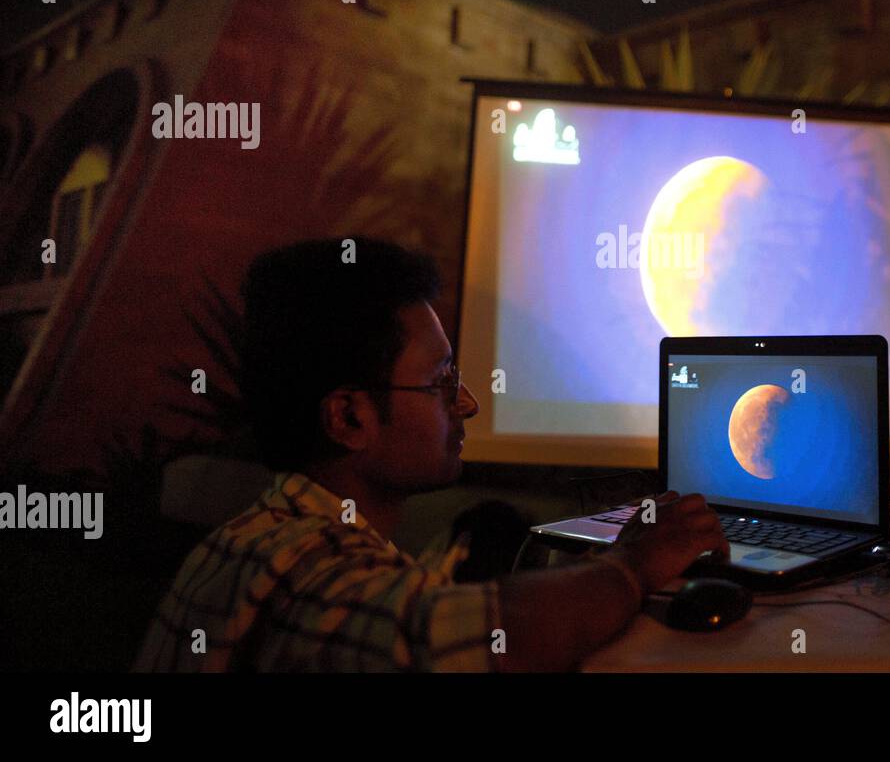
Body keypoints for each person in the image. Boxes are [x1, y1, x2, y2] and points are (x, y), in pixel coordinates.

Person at [134, 237, 728, 672]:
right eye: (441, 381)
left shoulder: (251, 537)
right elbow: (475, 639)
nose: (466, 404)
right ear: (349, 418)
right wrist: (633, 564)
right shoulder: (304, 572)